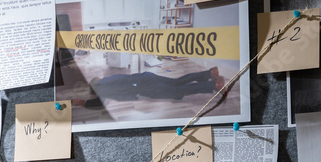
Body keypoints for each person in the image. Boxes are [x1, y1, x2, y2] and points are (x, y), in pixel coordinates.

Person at [71, 66, 225, 109]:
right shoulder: (105, 83)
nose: (101, 77)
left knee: (178, 91)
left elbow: (99, 102)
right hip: (145, 77)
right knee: (176, 83)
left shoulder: (104, 86)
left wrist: (82, 103)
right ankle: (210, 73)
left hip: (144, 86)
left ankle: (214, 84)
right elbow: (99, 100)